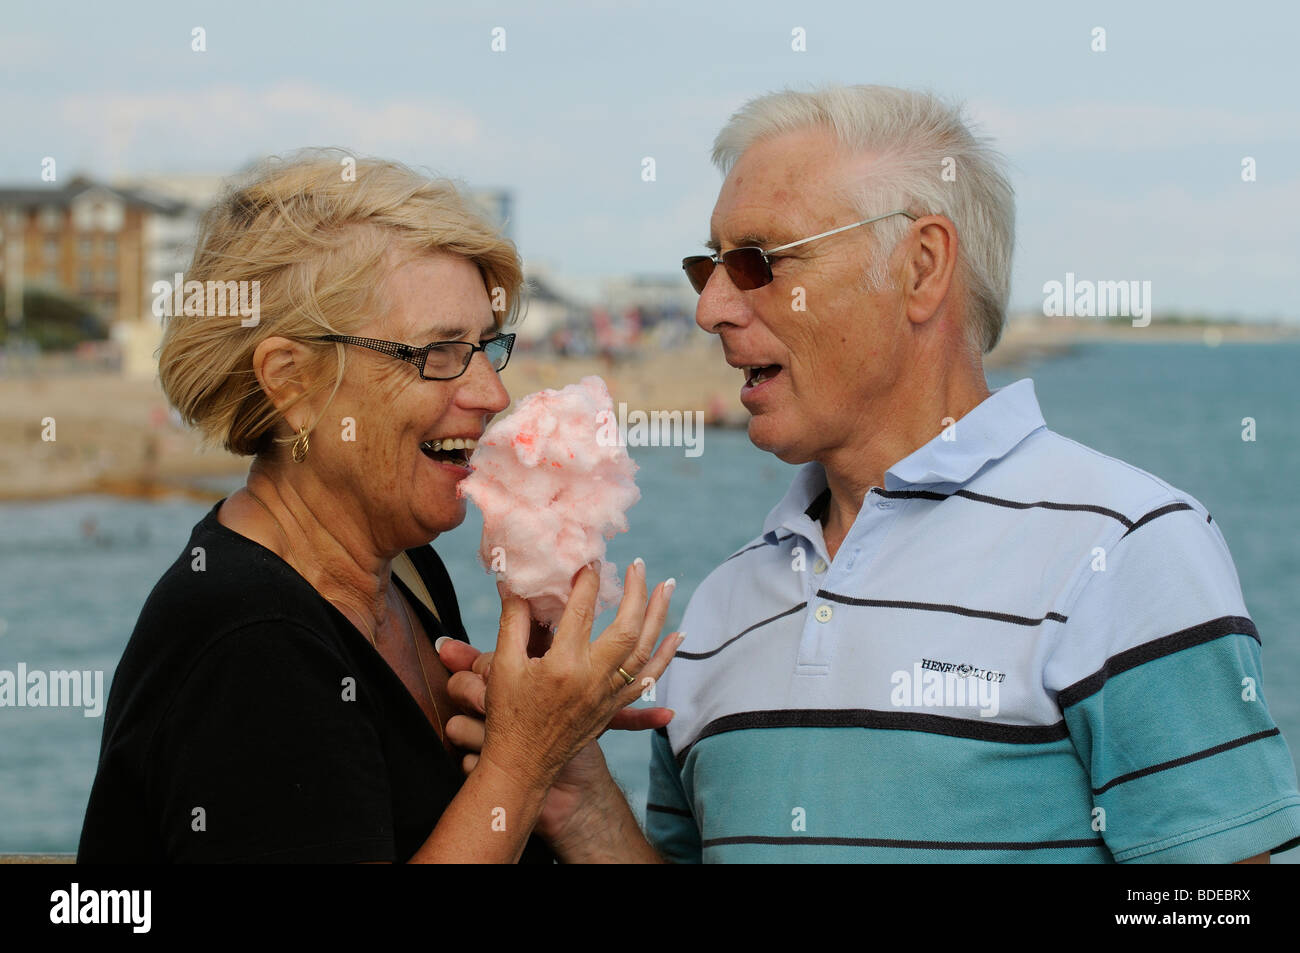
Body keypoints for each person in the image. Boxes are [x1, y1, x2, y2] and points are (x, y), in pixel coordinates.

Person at [445, 84, 1300, 864]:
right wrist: (584, 801)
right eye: (707, 267)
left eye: (758, 262)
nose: (710, 307)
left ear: (922, 267)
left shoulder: (1128, 550)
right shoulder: (719, 609)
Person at [76, 151, 678, 864]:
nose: (491, 393)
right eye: (439, 352)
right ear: (291, 382)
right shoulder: (249, 643)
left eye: (486, 346)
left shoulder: (408, 576)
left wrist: (566, 779)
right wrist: (519, 765)